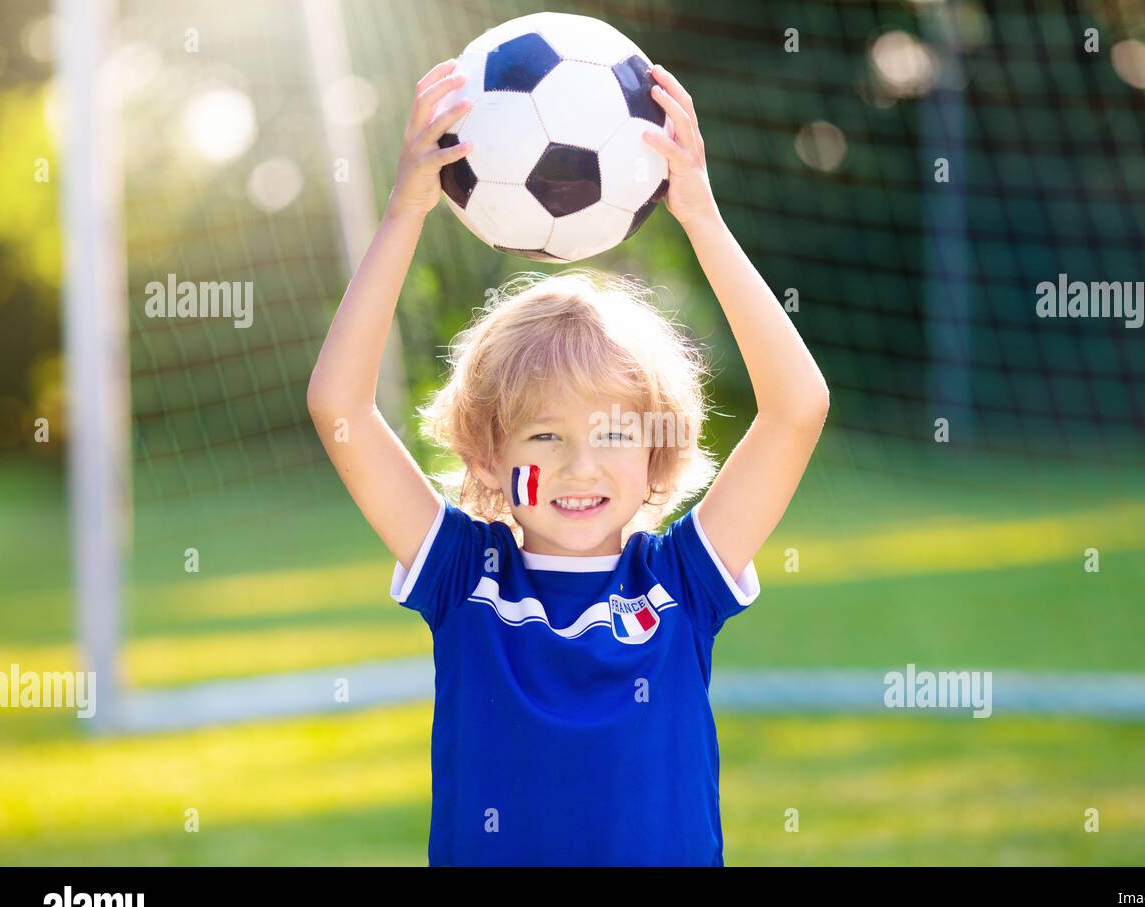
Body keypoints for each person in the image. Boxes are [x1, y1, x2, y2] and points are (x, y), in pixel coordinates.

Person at [307, 57, 829, 865]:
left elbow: (797, 410)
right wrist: (405, 211)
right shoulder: (463, 575)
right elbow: (340, 409)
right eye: (545, 437)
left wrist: (702, 219)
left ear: (656, 452)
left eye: (615, 433)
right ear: (488, 452)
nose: (582, 465)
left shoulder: (680, 581)